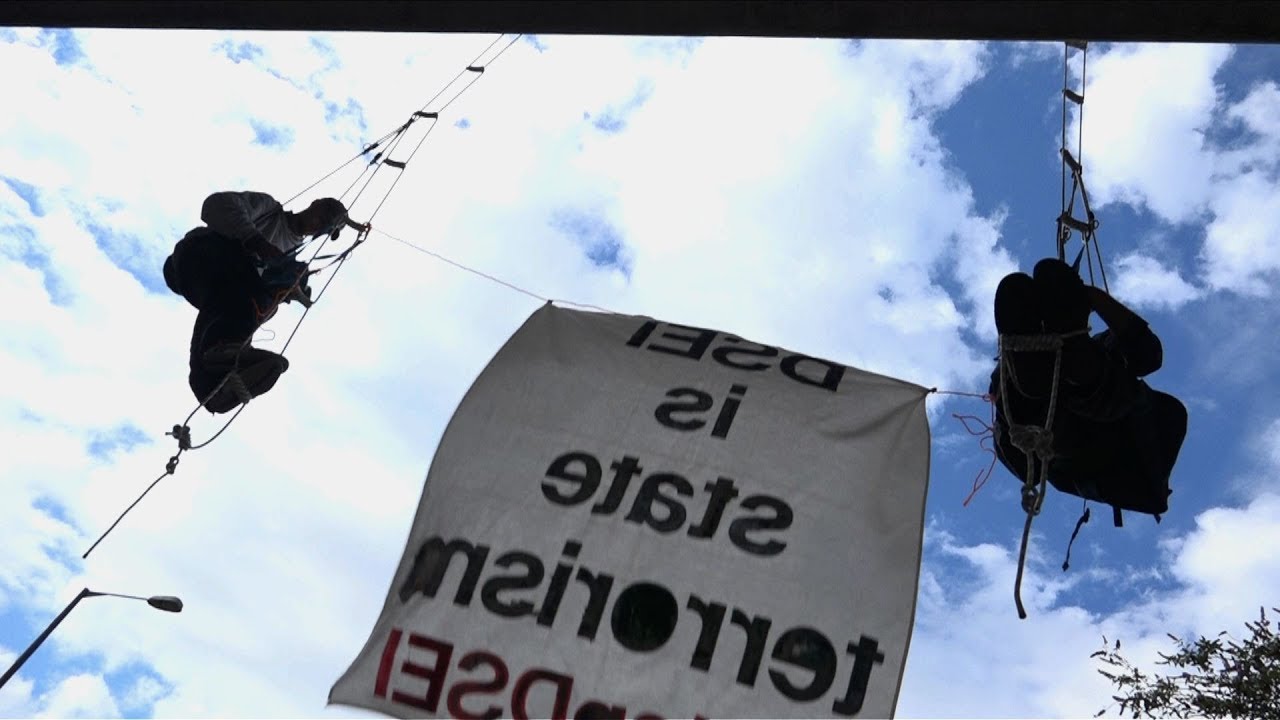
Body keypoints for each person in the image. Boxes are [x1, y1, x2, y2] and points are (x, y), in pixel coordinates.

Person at [989, 257, 1187, 524]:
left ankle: (1066, 377)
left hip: (1101, 444)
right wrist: (1093, 299)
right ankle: (1048, 373)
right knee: (1089, 381)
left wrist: (1092, 298)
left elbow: (1150, 358)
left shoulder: (1104, 351)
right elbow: (1150, 357)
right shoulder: (1100, 351)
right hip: (1070, 434)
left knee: (1101, 378)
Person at [162, 191, 359, 413]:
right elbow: (215, 205)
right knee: (244, 283)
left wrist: (288, 287)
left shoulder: (291, 255)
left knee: (253, 303)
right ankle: (222, 349)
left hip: (219, 286)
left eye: (326, 228)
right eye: (323, 217)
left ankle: (213, 385)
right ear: (315, 204)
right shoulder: (270, 210)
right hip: (201, 254)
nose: (319, 226)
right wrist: (257, 242)